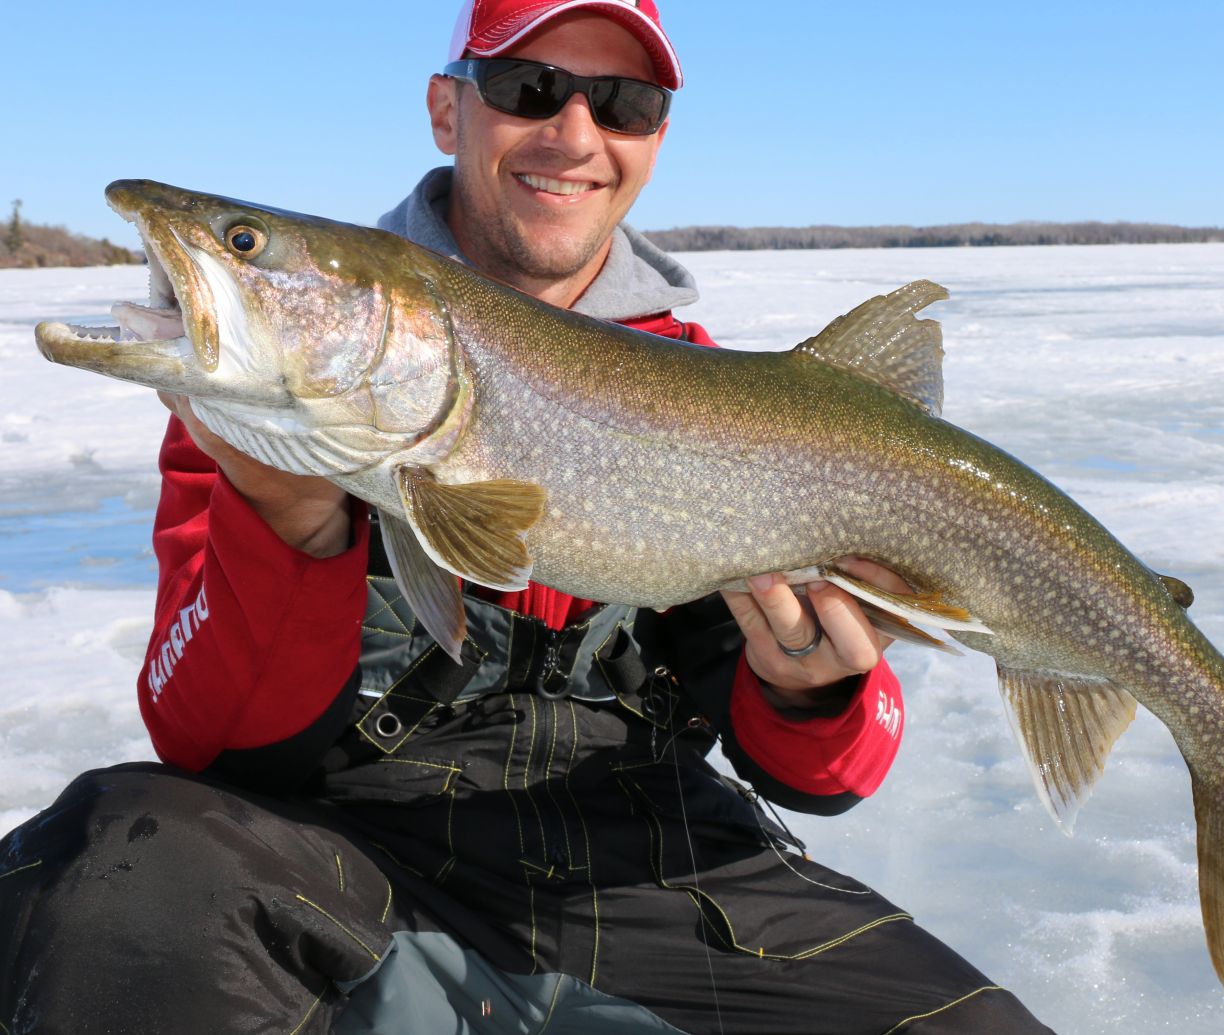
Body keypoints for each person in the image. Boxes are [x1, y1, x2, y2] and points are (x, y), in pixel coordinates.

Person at [0, 2, 1054, 1031]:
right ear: (447, 110)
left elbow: (825, 772)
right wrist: (290, 524)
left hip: (655, 865)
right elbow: (206, 732)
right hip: (349, 861)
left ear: (655, 140)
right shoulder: (260, 406)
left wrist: (814, 688)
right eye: (528, 87)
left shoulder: (719, 394)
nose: (575, 133)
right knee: (114, 869)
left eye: (623, 102)